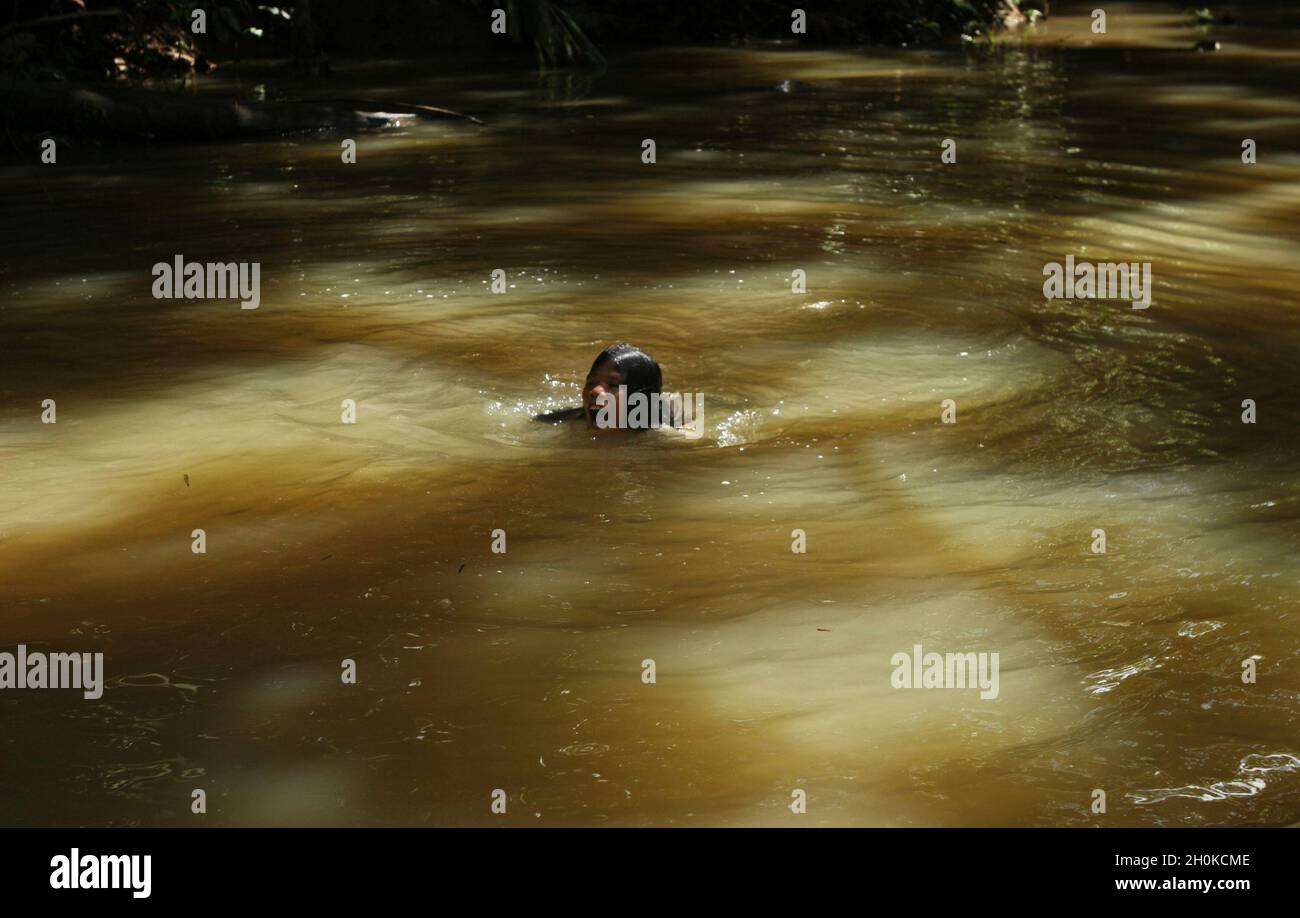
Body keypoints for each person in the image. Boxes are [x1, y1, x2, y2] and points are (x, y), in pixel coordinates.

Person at [535, 343, 665, 432]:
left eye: (613, 385)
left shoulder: (663, 433)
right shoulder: (571, 422)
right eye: (591, 383)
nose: (595, 391)